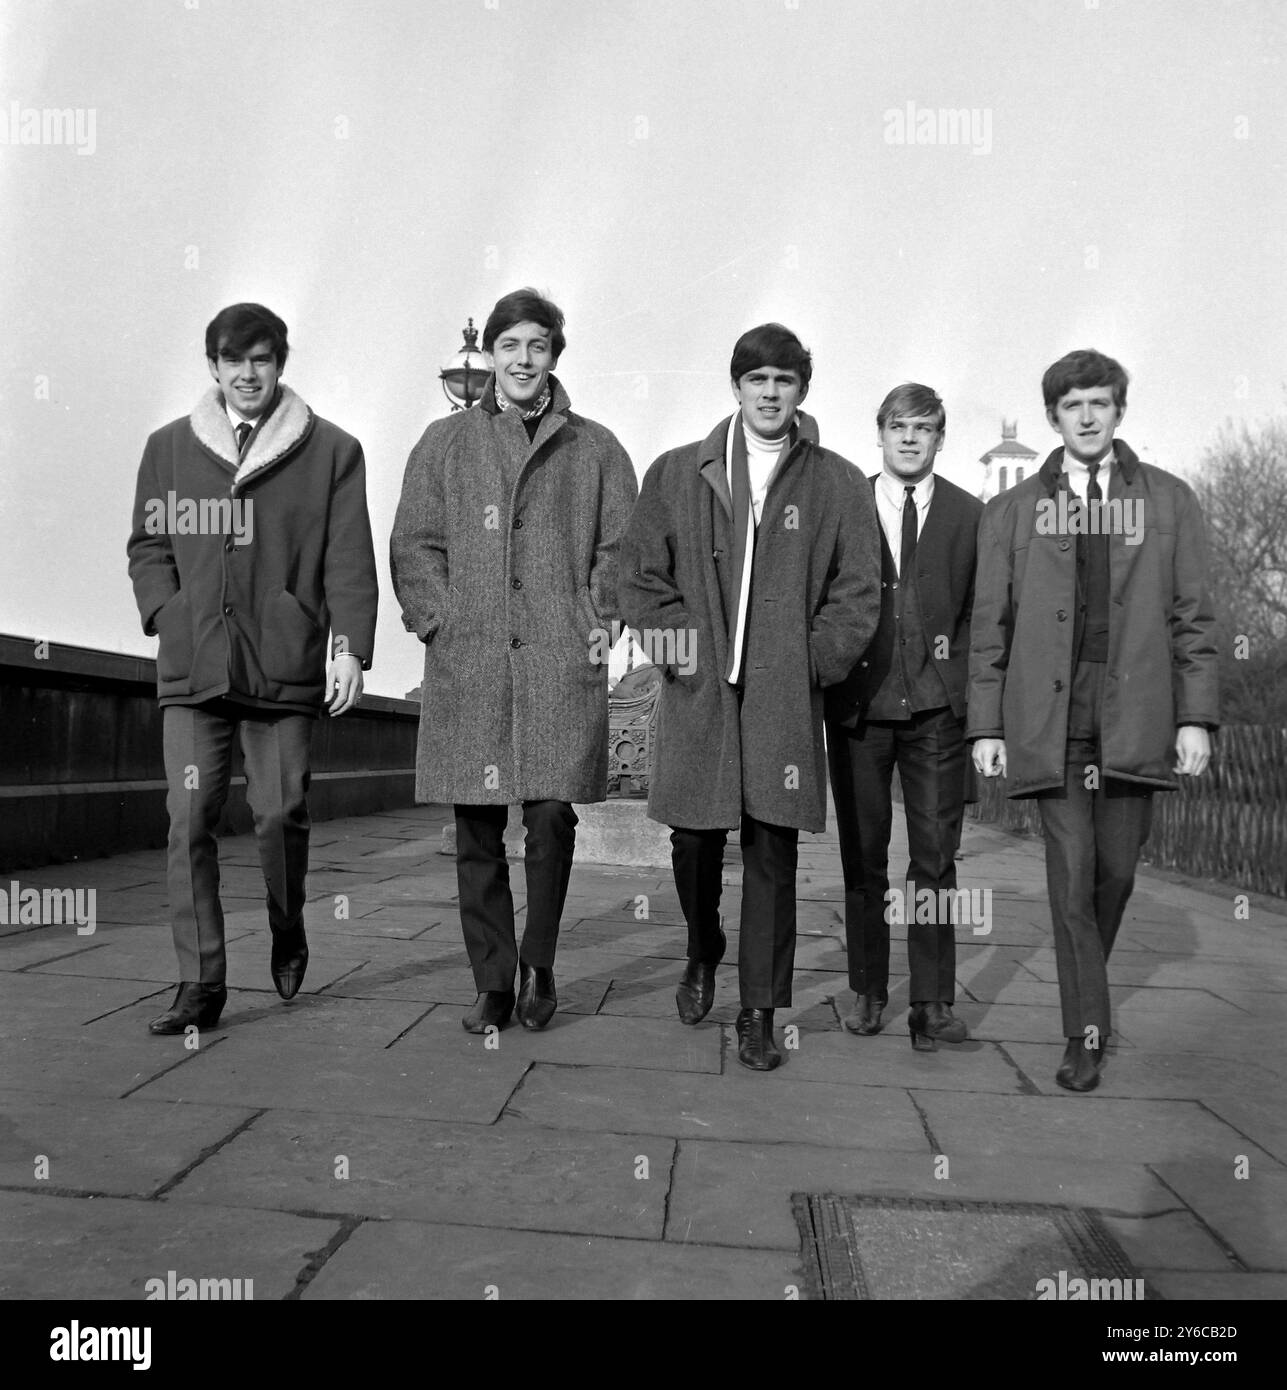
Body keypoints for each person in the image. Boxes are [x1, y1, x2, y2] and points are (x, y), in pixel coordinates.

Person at [618, 323, 880, 1071]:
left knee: (773, 851)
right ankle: (703, 947)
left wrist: (806, 664)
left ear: (802, 390)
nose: (770, 393)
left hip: (781, 701)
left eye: (784, 380)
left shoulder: (833, 482)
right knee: (694, 841)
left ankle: (759, 1010)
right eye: (757, 379)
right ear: (735, 386)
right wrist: (684, 657)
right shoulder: (677, 472)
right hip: (700, 693)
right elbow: (639, 579)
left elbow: (857, 592)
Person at [968, 349, 1218, 1091]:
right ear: (1053, 416)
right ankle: (1084, 1034)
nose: (1085, 417)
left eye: (1099, 404)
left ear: (1117, 412)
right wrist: (986, 727)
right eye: (1072, 405)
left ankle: (1087, 997)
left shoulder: (1168, 502)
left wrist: (1194, 718)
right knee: (1071, 879)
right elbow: (989, 627)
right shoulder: (1010, 513)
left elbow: (1194, 620)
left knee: (1113, 877)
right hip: (1050, 721)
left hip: (1134, 717)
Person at [127, 302, 378, 1035]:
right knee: (189, 821)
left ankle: (287, 920)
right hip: (195, 667)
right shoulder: (168, 448)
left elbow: (348, 557)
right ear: (213, 366)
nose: (247, 373)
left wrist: (348, 649)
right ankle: (200, 981)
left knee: (280, 814)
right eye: (233, 360)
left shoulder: (332, 450)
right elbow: (148, 545)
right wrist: (167, 616)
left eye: (261, 360)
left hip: (283, 663)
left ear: (280, 365)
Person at [391, 288, 637, 1033]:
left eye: (536, 346)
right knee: (475, 826)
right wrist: (441, 622)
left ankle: (538, 962)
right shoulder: (445, 442)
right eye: (508, 346)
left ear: (553, 356)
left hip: (559, 657)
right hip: (471, 660)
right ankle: (492, 981)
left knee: (552, 816)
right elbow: (414, 542)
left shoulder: (594, 447)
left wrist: (590, 620)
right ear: (491, 355)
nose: (522, 359)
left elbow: (619, 550)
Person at [825, 383, 981, 1050]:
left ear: (940, 438)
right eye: (898, 427)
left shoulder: (968, 515)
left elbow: (981, 614)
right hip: (859, 709)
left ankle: (932, 999)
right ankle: (867, 989)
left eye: (923, 428)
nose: (910, 438)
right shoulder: (844, 505)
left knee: (935, 861)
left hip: (937, 714)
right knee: (863, 859)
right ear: (880, 434)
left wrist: (972, 700)